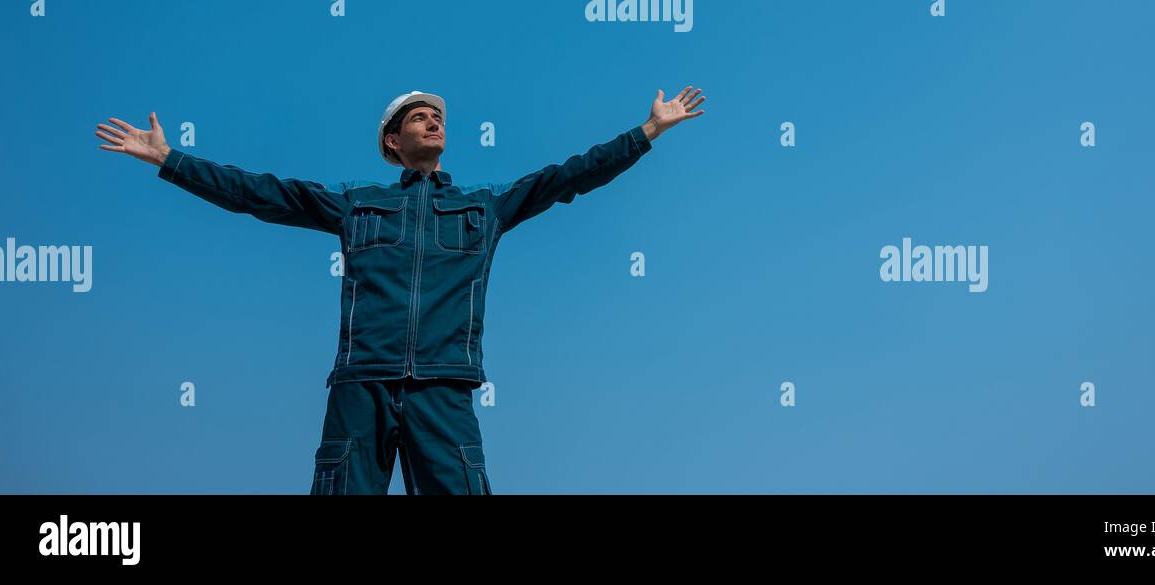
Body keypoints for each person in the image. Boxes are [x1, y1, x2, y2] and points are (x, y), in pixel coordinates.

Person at [95, 86, 706, 494]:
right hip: (362, 385)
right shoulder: (357, 203)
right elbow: (260, 193)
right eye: (419, 117)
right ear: (393, 141)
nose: (434, 121)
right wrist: (170, 160)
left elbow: (570, 176)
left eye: (438, 117)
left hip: (445, 388)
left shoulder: (484, 207)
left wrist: (648, 130)